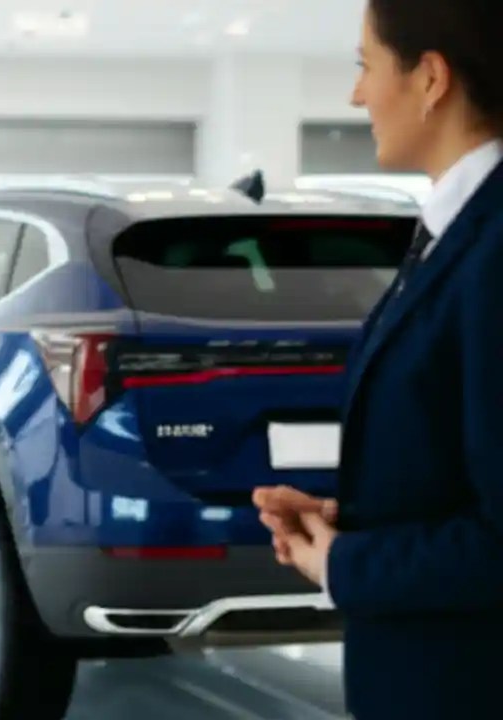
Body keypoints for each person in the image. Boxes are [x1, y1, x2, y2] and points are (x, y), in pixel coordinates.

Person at [253, 0, 503, 717]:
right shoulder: (455, 233)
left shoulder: (492, 251)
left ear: (431, 79)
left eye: (366, 66)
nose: (356, 94)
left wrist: (345, 562)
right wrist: (349, 521)